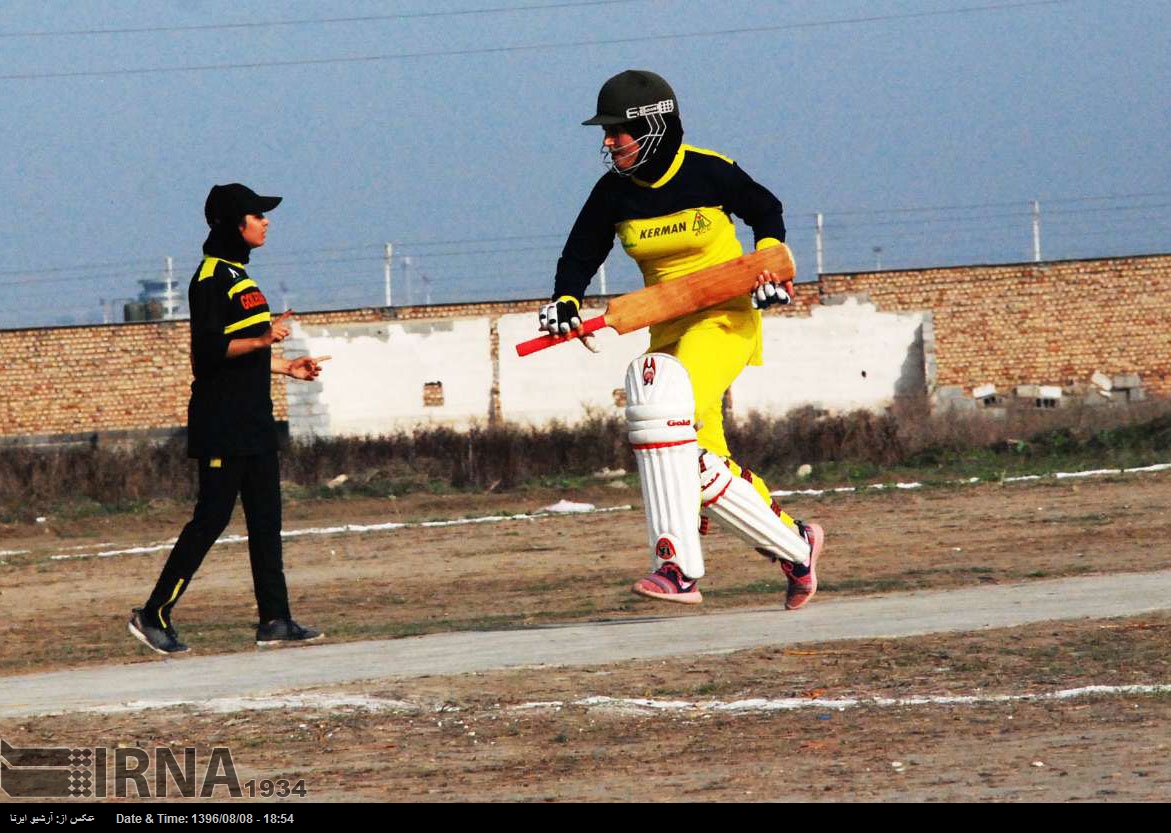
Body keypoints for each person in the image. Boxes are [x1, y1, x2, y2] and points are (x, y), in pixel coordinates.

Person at [539, 70, 825, 610]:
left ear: (653, 125)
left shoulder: (707, 171)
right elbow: (580, 253)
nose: (607, 142)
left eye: (616, 130)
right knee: (700, 459)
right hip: (666, 326)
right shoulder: (613, 193)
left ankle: (677, 568)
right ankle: (796, 545)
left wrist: (766, 266)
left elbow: (767, 211)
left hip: (725, 318)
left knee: (663, 412)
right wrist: (566, 302)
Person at [129, 183, 329, 655]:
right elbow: (210, 352)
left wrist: (285, 366)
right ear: (234, 224)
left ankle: (275, 619)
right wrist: (264, 342)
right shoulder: (210, 277)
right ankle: (153, 614)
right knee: (211, 518)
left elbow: (242, 355)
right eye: (258, 215)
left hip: (254, 420)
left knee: (266, 520)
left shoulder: (239, 274)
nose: (266, 221)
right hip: (222, 422)